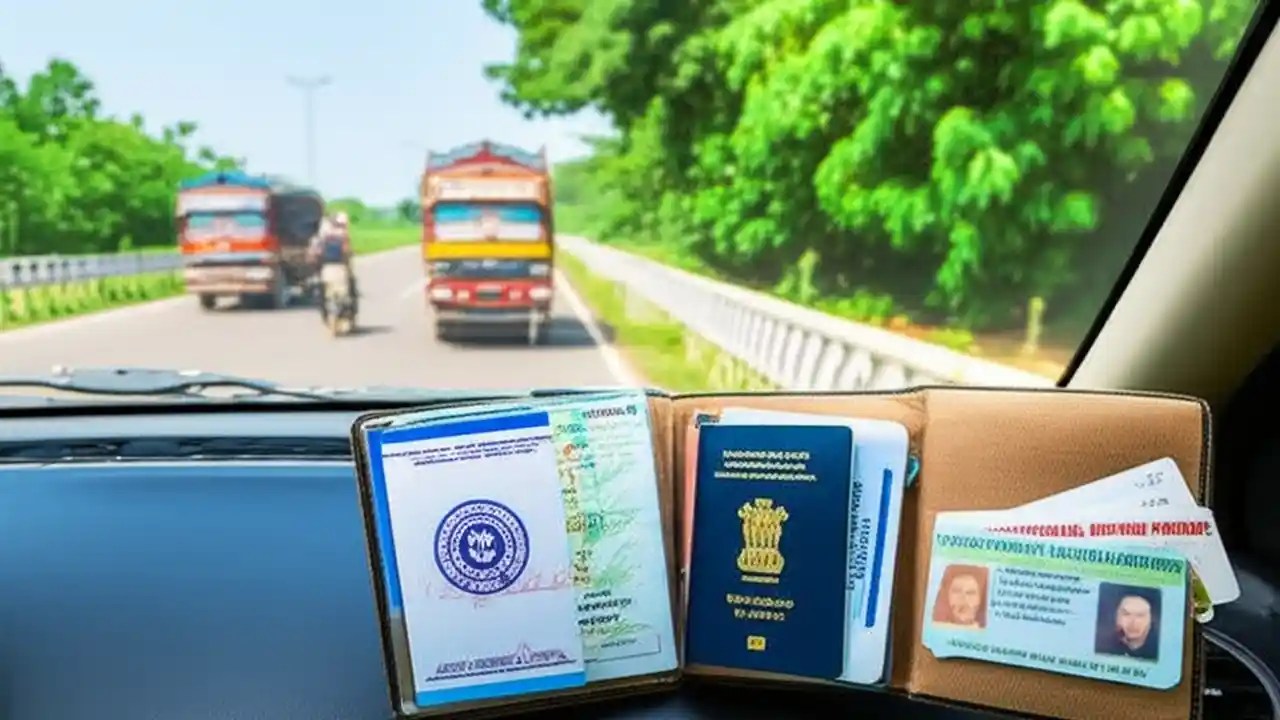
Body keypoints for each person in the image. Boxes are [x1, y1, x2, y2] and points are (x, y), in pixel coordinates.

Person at [307, 213, 358, 324]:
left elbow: (313, 253)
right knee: (350, 288)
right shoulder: (343, 235)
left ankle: (328, 314)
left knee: (321, 291)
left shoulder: (322, 235)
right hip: (338, 268)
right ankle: (349, 313)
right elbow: (347, 252)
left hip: (324, 269)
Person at [1095, 590, 1159, 660]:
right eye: (1126, 614)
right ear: (1117, 617)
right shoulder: (1103, 648)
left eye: (1140, 615)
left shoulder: (1159, 650)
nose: (1133, 622)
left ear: (1150, 620)